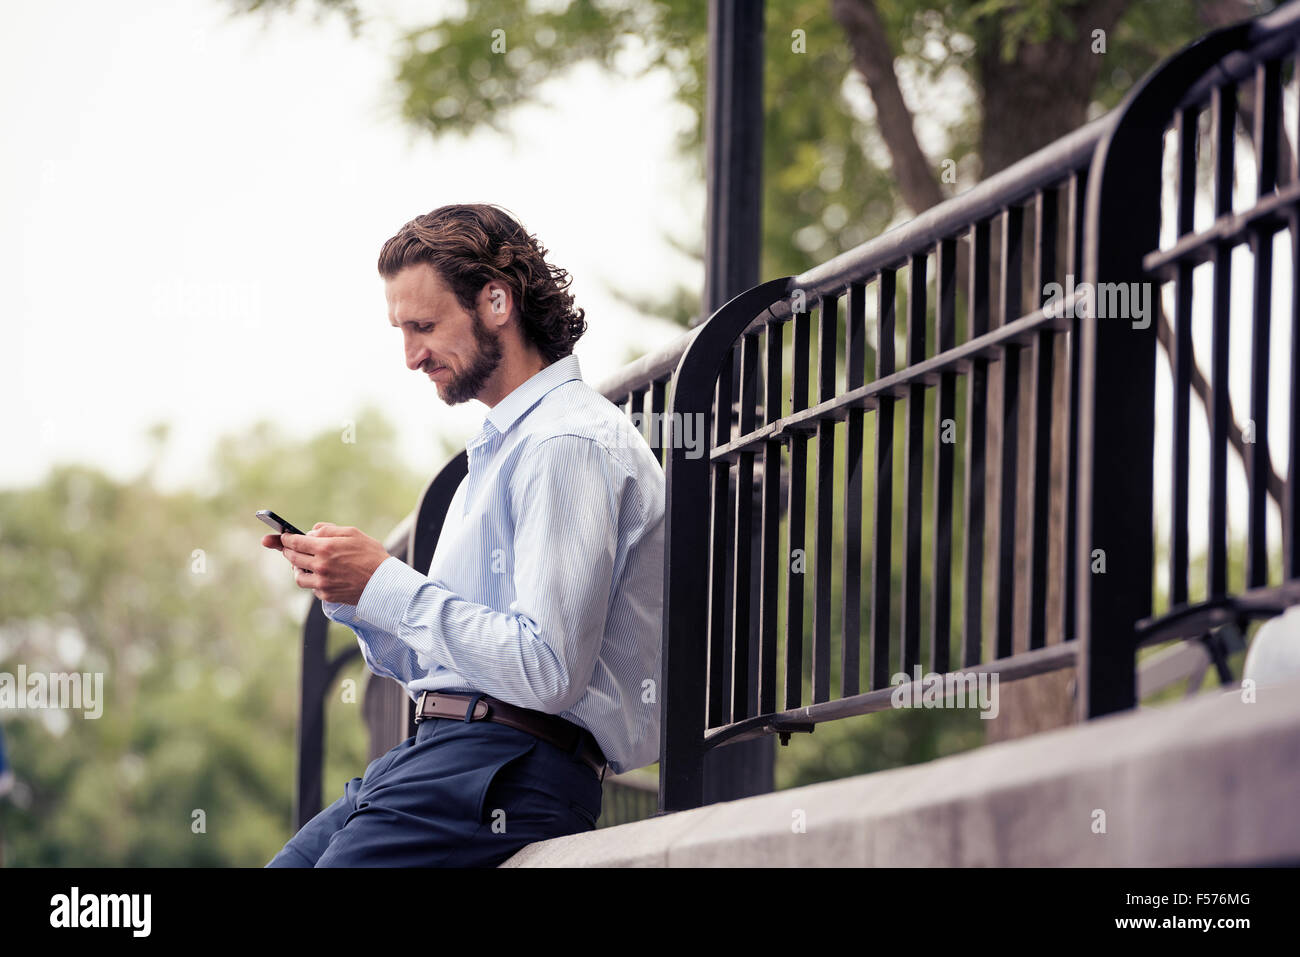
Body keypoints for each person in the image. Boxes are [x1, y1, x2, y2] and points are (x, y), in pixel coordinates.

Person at [263, 204, 665, 867]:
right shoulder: (505, 446)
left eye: (424, 326)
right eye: (401, 331)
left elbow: (547, 670)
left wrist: (388, 584)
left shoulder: (564, 440)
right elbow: (444, 667)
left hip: (511, 766)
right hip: (442, 755)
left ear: (497, 302)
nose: (412, 355)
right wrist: (360, 594)